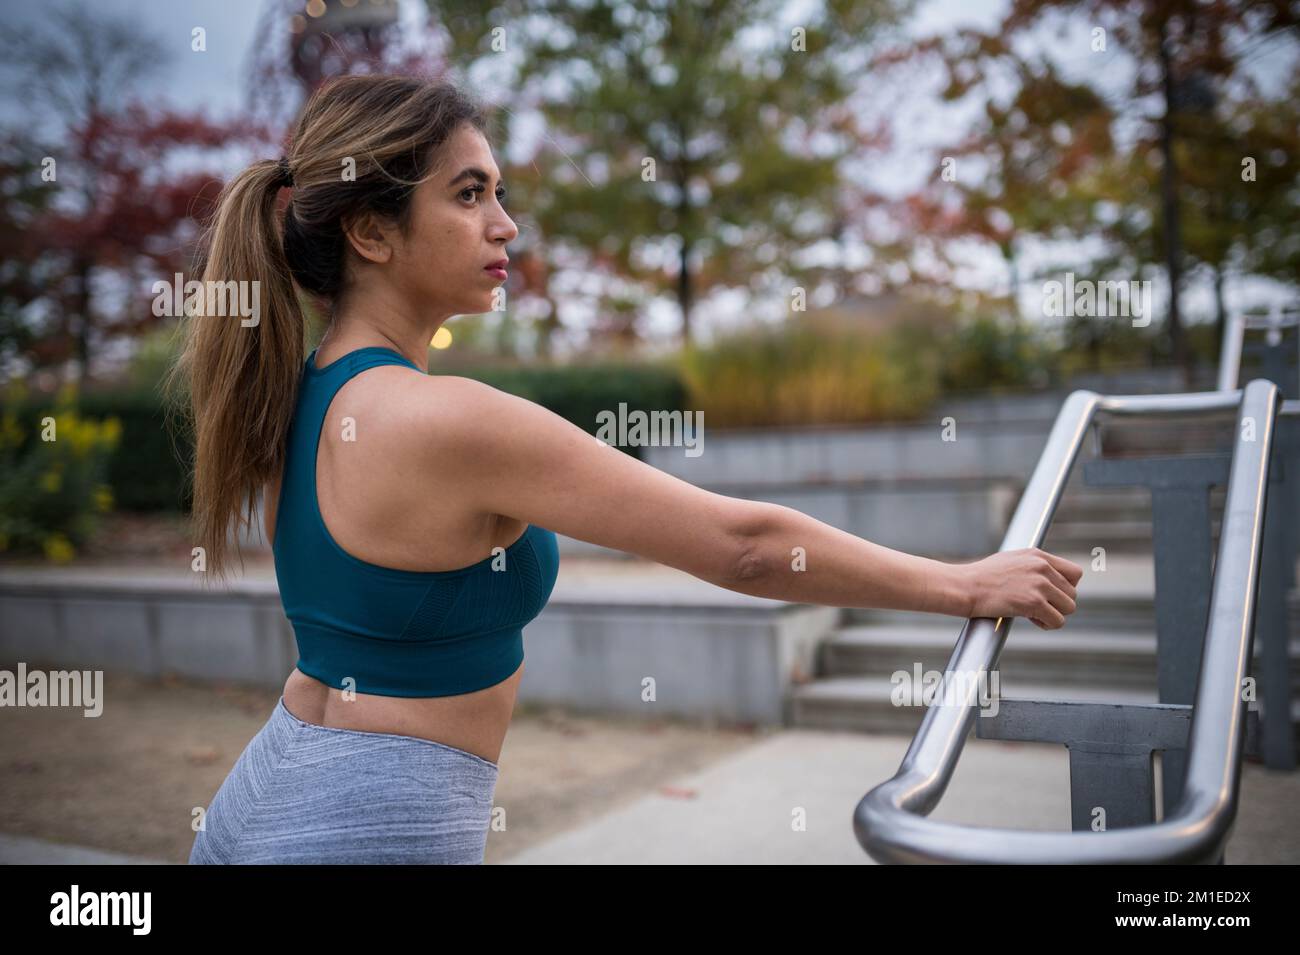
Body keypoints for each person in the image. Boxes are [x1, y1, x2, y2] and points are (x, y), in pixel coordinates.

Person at [169, 74, 1081, 864]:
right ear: (372, 230)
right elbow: (746, 548)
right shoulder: (445, 419)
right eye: (469, 194)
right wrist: (963, 582)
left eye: (499, 191)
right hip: (356, 829)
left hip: (272, 797)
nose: (506, 222)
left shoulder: (299, 395)